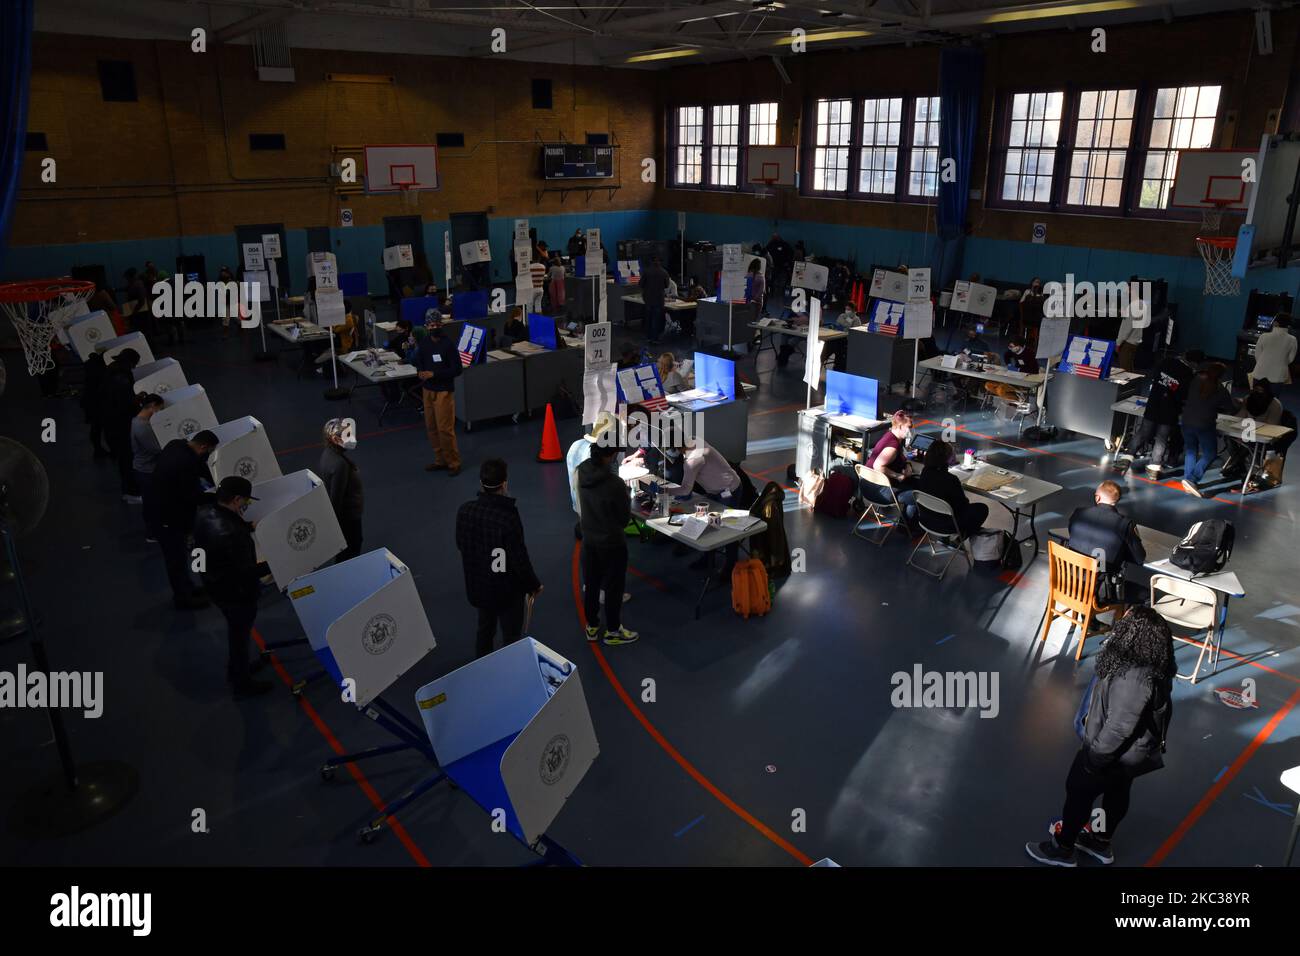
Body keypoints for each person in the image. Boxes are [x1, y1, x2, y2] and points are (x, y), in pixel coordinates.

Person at [1026, 606, 1174, 867]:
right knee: (1117, 793)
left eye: (1125, 621)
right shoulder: (1153, 665)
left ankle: (1063, 849)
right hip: (1131, 755)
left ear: (1134, 634)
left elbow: (1119, 728)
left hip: (1113, 754)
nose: (1120, 622)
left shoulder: (1134, 677)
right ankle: (1099, 842)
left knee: (1078, 792)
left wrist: (1093, 757)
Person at [193, 476, 274, 698]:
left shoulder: (205, 514)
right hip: (236, 594)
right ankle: (242, 683)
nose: (247, 505)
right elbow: (246, 572)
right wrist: (275, 563)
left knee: (237, 633)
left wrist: (247, 526)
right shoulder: (231, 534)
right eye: (246, 501)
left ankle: (239, 668)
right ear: (237, 499)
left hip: (215, 586)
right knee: (239, 635)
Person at [454, 458, 543, 658]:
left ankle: (482, 663)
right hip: (506, 590)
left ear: (481, 483)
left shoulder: (465, 510)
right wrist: (533, 584)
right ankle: (510, 667)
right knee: (511, 635)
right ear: (504, 484)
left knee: (485, 628)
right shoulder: (507, 517)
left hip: (478, 584)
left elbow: (461, 544)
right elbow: (518, 558)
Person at [577, 443, 638, 646]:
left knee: (592, 584)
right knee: (613, 588)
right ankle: (613, 631)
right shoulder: (615, 484)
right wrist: (626, 497)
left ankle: (592, 626)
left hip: (589, 540)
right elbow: (623, 520)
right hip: (612, 543)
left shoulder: (582, 471)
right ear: (611, 455)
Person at [153, 430, 219, 609]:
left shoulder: (176, 444)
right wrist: (218, 496)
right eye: (208, 452)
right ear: (203, 447)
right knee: (175, 559)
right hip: (169, 517)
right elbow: (194, 496)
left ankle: (188, 587)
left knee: (179, 557)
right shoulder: (185, 463)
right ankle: (183, 599)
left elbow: (198, 468)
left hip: (161, 509)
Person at [1067, 480, 1146, 605]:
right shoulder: (1124, 524)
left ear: (1097, 497)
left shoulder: (1079, 513)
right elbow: (1140, 558)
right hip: (1096, 586)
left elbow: (1072, 534)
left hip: (1069, 578)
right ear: (1116, 500)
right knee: (1145, 594)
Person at [1128, 348, 1199, 475]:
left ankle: (1126, 459)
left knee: (1143, 432)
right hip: (1170, 409)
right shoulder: (1188, 374)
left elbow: (1154, 377)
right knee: (1162, 438)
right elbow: (1183, 395)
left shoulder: (1166, 362)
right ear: (1195, 363)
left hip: (1153, 403)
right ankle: (1154, 468)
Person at [1180, 362, 1235, 497]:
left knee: (1191, 451)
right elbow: (1232, 408)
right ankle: (1191, 479)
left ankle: (1188, 480)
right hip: (1204, 425)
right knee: (1210, 454)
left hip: (1186, 421)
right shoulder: (1220, 389)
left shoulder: (1195, 381)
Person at [414, 320, 462, 475]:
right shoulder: (425, 342)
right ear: (427, 327)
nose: (434, 328)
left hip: (443, 391)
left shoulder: (448, 345)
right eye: (431, 325)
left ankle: (453, 462)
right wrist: (420, 371)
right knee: (432, 427)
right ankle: (440, 460)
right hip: (427, 389)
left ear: (441, 325)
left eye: (437, 325)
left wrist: (435, 374)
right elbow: (419, 360)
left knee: (445, 429)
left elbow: (457, 369)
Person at [915, 439, 987, 538]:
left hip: (926, 519)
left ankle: (959, 536)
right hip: (946, 525)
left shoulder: (925, 472)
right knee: (982, 509)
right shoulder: (951, 479)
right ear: (947, 458)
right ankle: (960, 537)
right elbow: (962, 505)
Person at [319, 418, 364, 562]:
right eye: (346, 435)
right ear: (335, 439)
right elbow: (336, 497)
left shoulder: (328, 454)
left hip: (346, 516)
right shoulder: (340, 465)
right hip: (348, 517)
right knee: (352, 547)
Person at [1222, 380, 1284, 480]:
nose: (1257, 393)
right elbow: (1241, 415)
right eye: (1256, 390)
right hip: (1247, 431)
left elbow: (1271, 426)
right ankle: (1240, 466)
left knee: (1249, 443)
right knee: (1228, 437)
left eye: (1261, 390)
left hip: (1265, 435)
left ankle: (1235, 464)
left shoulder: (1275, 404)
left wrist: (1251, 430)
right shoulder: (1248, 399)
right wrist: (1230, 422)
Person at [860, 409, 917, 517]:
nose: (912, 429)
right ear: (900, 426)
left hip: (868, 484)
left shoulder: (890, 436)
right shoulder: (893, 446)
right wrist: (898, 476)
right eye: (910, 427)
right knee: (917, 494)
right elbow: (878, 466)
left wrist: (907, 465)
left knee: (913, 483)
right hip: (877, 490)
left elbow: (899, 458)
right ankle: (909, 528)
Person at [104, 348, 142, 501]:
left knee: (124, 457)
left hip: (111, 422)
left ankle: (130, 488)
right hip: (121, 424)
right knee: (127, 458)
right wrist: (137, 400)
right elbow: (125, 404)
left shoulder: (111, 371)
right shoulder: (122, 379)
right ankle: (130, 492)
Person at [131, 393, 166, 542]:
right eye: (159, 408)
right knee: (152, 502)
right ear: (152, 406)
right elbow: (157, 449)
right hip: (147, 470)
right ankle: (153, 533)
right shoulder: (143, 427)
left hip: (143, 468)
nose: (159, 411)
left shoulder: (137, 421)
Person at [677, 437, 742, 503]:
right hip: (717, 490)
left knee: (724, 511)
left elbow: (687, 485)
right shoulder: (693, 442)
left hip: (728, 491)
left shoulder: (693, 457)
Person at [985, 337, 1039, 403]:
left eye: (1011, 346)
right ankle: (1010, 398)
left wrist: (1019, 369)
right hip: (1013, 377)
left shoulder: (1030, 354)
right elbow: (1006, 355)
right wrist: (1009, 365)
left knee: (1001, 390)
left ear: (1018, 346)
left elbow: (1035, 370)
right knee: (988, 385)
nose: (1010, 348)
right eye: (1009, 346)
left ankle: (1019, 400)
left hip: (1023, 381)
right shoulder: (1014, 351)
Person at [1251, 313, 1296, 387]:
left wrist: (1264, 362)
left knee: (1255, 397)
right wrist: (1280, 362)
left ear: (1275, 323)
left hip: (1259, 372)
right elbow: (1290, 359)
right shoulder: (1293, 340)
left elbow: (1257, 355)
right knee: (1273, 398)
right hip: (1278, 376)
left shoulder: (1264, 336)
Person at [81, 351, 112, 459]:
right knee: (102, 427)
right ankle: (101, 449)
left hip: (90, 401)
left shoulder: (90, 366)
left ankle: (97, 449)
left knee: (96, 428)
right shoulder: (100, 371)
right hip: (97, 403)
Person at [640, 256, 669, 344]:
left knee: (648, 318)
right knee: (656, 319)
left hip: (648, 298)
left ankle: (648, 337)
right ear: (660, 262)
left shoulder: (646, 271)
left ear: (651, 261)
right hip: (659, 299)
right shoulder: (664, 272)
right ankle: (655, 338)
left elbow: (641, 284)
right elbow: (667, 285)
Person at [764, 232, 794, 302]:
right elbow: (765, 251)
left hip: (782, 266)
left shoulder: (784, 244)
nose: (773, 238)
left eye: (775, 237)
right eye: (773, 237)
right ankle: (771, 293)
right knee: (772, 280)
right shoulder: (770, 244)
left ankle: (781, 295)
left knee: (782, 281)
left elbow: (791, 252)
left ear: (778, 237)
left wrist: (787, 262)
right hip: (773, 266)